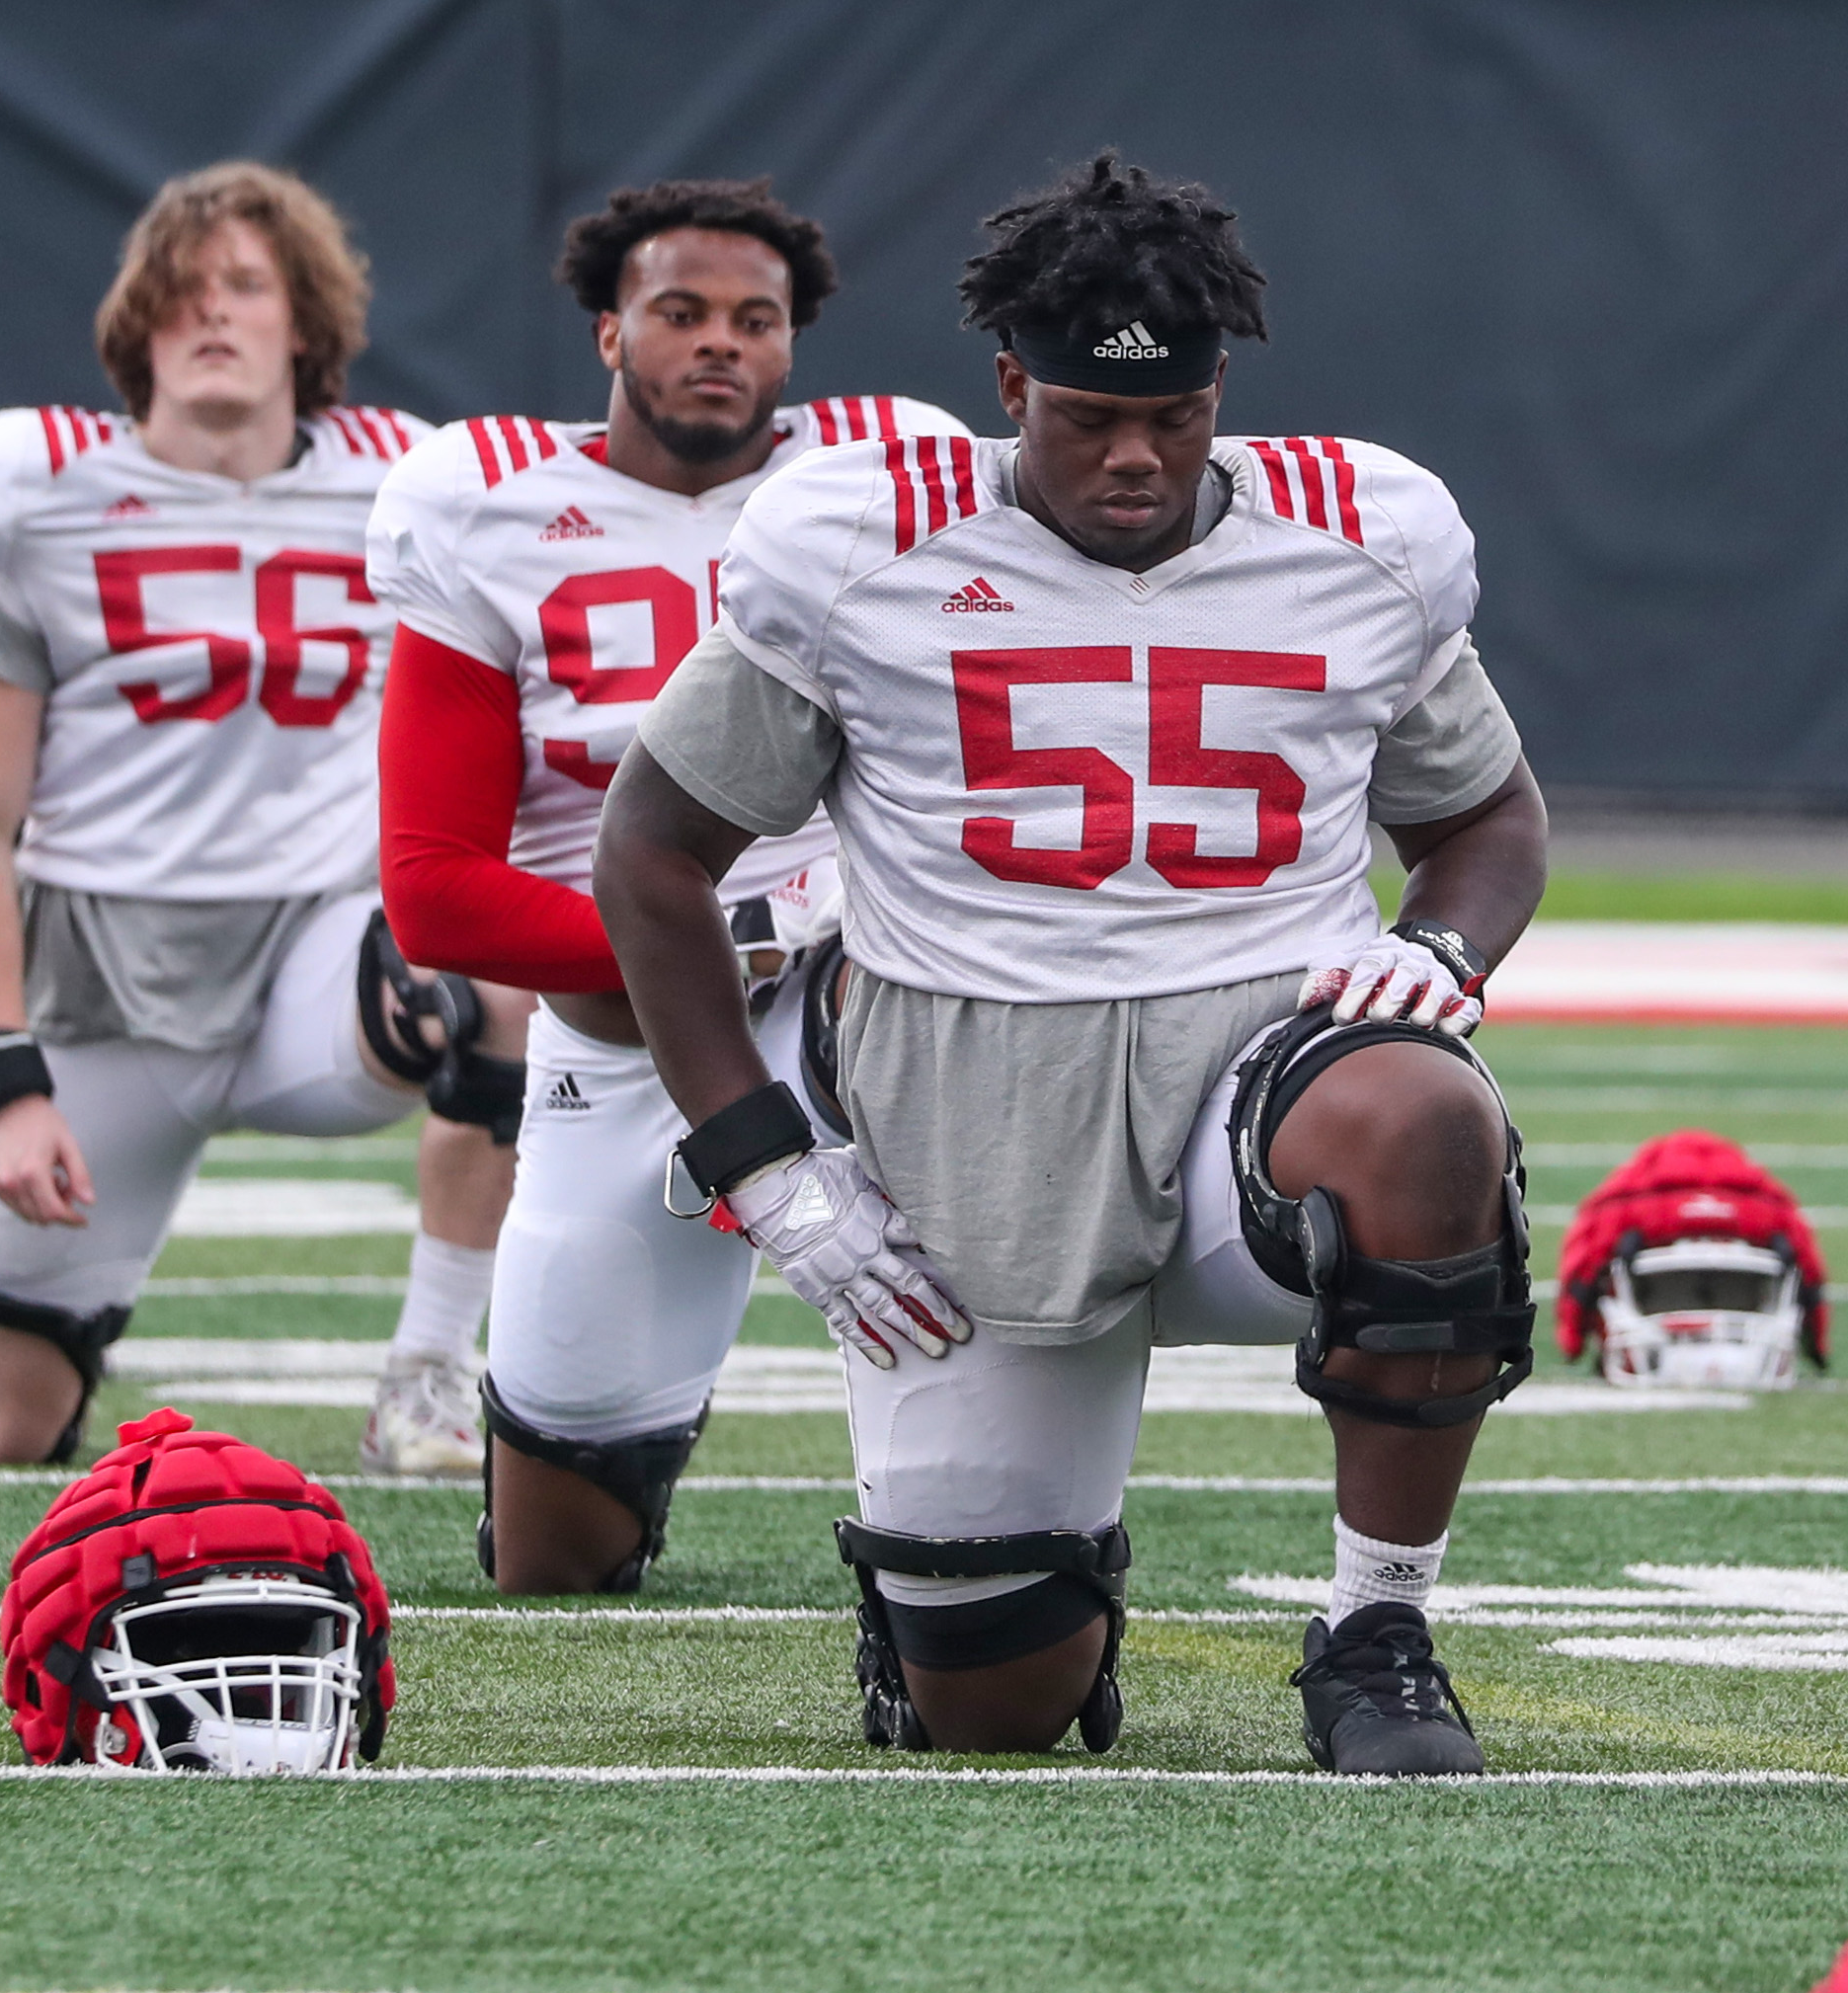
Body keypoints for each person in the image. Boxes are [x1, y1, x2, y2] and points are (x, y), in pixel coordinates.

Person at [596, 153, 1547, 1774]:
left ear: (1220, 392)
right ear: (1007, 382)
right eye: (1087, 419)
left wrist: (1441, 949)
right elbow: (651, 856)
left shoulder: (1360, 533)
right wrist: (760, 1165)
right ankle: (990, 1602)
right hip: (964, 1092)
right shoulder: (854, 536)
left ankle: (1380, 1628)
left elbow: (1489, 818)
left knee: (1427, 1119)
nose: (1132, 457)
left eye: (1172, 419)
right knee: (990, 1708)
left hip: (1264, 1057)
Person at [363, 178, 968, 1589]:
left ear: (793, 347)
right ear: (608, 332)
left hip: (873, 991)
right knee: (551, 1560)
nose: (719, 344)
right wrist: (719, 945)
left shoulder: (881, 485)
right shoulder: (487, 505)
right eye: (680, 312)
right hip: (627, 1021)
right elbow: (438, 893)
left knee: (984, 1568)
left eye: (755, 321)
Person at [0, 162, 525, 1468]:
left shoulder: (397, 486)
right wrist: (1, 1071)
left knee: (500, 957)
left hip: (319, 956)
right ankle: (20, 1316)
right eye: (182, 292)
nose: (212, 313)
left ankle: (429, 1368)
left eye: (245, 286)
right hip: (101, 982)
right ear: (135, 326)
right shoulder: (33, 493)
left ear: (302, 322)